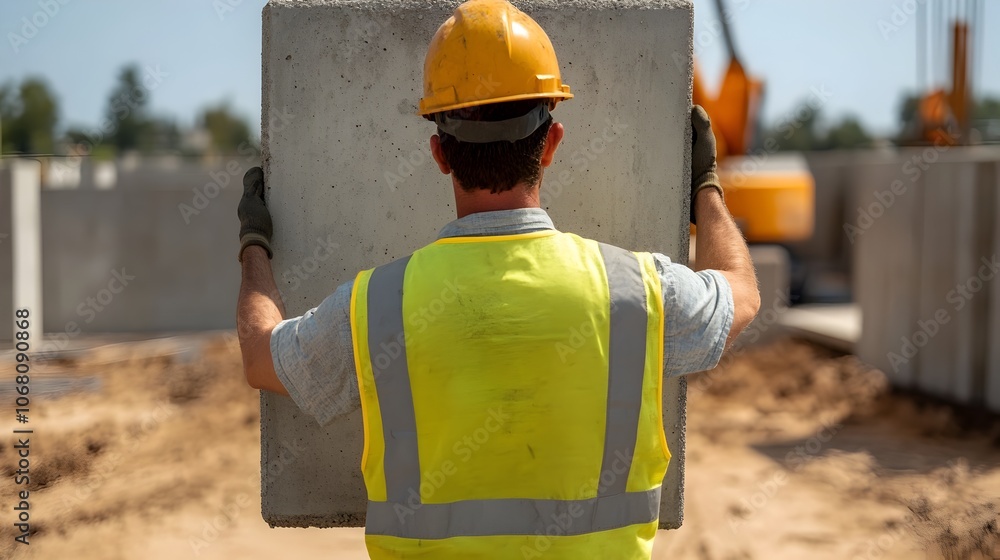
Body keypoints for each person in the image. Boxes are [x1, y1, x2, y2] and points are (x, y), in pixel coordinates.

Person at [236, 0, 760, 557]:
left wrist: (255, 247)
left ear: (440, 153)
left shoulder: (379, 305)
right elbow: (742, 293)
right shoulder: (637, 289)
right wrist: (705, 186)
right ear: (551, 143)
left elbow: (259, 356)